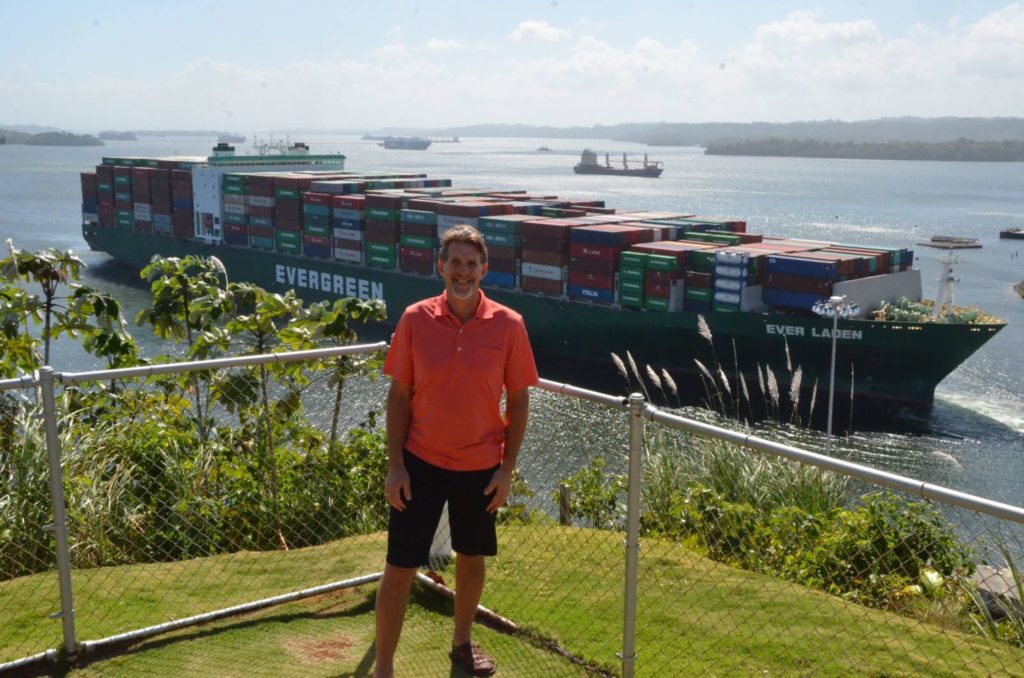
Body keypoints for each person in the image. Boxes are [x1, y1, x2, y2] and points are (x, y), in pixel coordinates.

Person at [374, 224, 539, 677]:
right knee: (399, 567)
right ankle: (384, 667)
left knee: (472, 558)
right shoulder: (414, 319)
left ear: (484, 270)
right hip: (419, 464)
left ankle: (462, 644)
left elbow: (520, 399)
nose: (462, 272)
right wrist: (395, 467)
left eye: (472, 264)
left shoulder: (509, 325)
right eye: (455, 263)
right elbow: (399, 396)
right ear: (440, 267)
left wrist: (507, 471)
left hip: (481, 467)